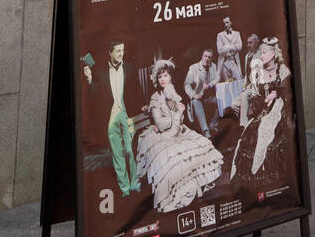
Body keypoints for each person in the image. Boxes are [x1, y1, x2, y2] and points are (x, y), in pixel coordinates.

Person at [136, 60, 223, 213]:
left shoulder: (173, 94)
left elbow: (178, 123)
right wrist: (176, 115)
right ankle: (177, 193)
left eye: (165, 76)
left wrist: (177, 115)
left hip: (178, 131)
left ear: (170, 78)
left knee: (200, 148)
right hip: (161, 134)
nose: (163, 79)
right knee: (171, 159)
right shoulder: (155, 98)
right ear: (156, 80)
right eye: (160, 77)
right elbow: (162, 126)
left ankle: (196, 188)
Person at [82, 41, 141, 198]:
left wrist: (139, 110)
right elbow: (95, 97)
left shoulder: (130, 69)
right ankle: (125, 187)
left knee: (130, 150)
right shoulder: (101, 73)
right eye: (117, 51)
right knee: (117, 153)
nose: (121, 54)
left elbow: (136, 92)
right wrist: (89, 80)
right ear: (110, 53)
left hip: (126, 114)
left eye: (122, 50)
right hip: (111, 117)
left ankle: (135, 182)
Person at [231, 39, 293, 185]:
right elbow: (254, 93)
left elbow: (287, 89)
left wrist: (276, 93)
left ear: (273, 53)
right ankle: (251, 173)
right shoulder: (258, 72)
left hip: (280, 107)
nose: (262, 56)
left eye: (265, 53)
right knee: (252, 129)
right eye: (261, 53)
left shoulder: (282, 69)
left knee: (266, 126)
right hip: (263, 109)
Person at [183, 48, 218, 137]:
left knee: (220, 101)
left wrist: (210, 85)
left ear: (211, 59)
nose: (207, 59)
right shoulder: (193, 68)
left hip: (208, 96)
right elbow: (186, 84)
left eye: (209, 57)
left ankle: (212, 125)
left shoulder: (213, 66)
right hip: (197, 96)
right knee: (195, 102)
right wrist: (193, 95)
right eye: (205, 56)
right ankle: (205, 130)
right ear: (202, 56)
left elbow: (217, 78)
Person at [217, 16, 242, 82]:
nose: (225, 25)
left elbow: (239, 46)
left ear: (231, 23)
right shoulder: (220, 35)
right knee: (227, 83)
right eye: (224, 23)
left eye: (227, 22)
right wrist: (233, 47)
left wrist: (226, 46)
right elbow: (219, 50)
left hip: (234, 61)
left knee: (238, 81)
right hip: (225, 62)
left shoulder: (237, 33)